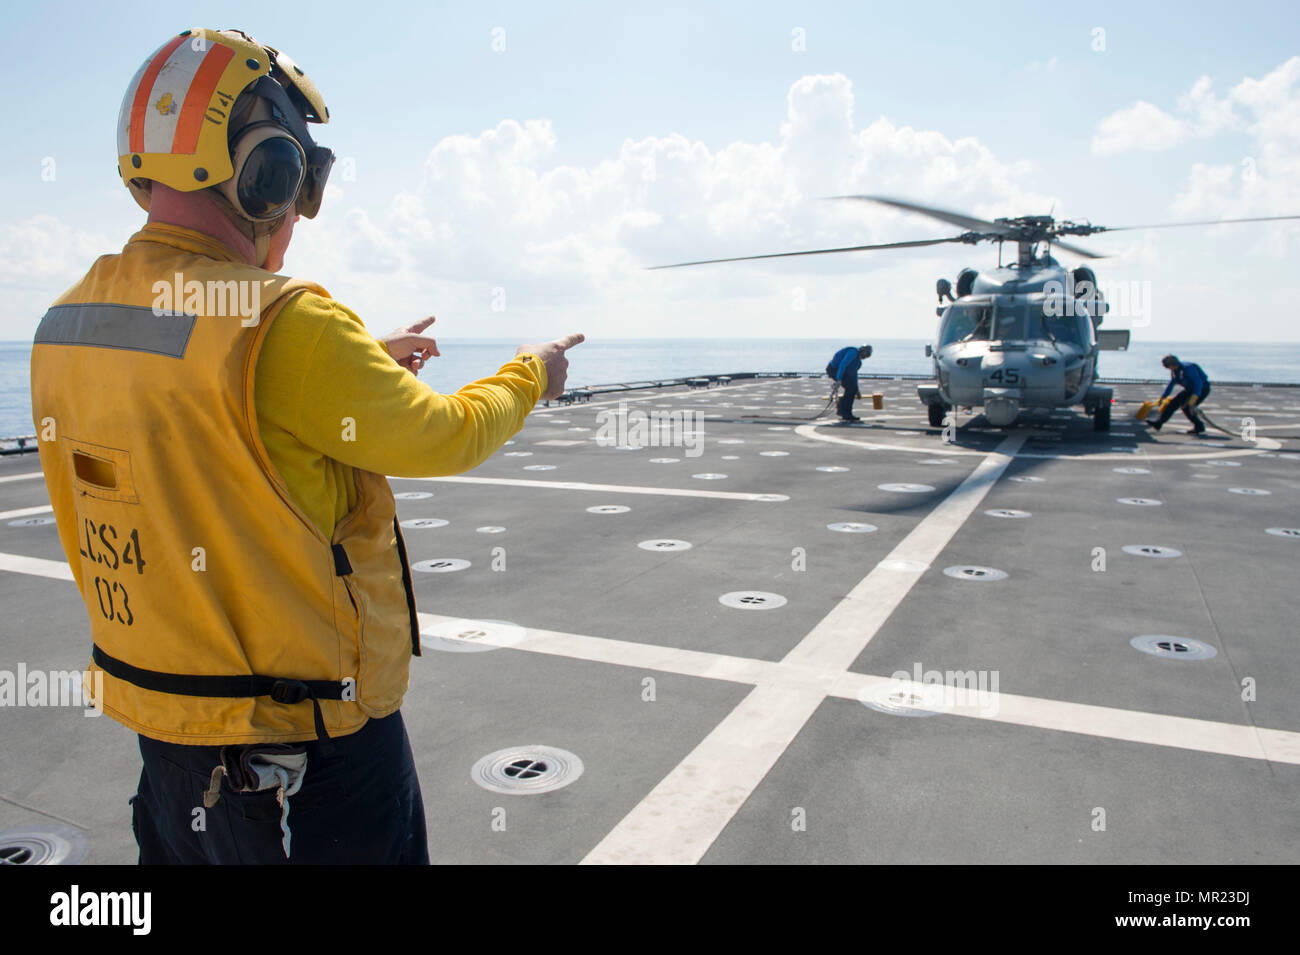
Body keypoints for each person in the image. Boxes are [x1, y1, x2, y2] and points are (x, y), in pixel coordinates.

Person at [29, 28, 583, 865]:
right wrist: (531, 374)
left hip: (170, 744)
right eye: (302, 181)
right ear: (266, 173)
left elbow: (203, 423)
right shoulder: (284, 324)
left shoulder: (65, 326)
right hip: (304, 753)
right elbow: (446, 433)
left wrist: (355, 370)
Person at [1147, 354, 1210, 434]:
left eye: (1168, 367)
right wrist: (1163, 397)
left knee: (1187, 407)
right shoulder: (1176, 370)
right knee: (1173, 403)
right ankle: (1158, 423)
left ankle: (1199, 426)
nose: (1169, 369)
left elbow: (1198, 383)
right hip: (1190, 389)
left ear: (1172, 365)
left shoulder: (1188, 369)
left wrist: (1193, 398)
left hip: (1202, 389)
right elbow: (1172, 384)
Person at [827, 345, 872, 421]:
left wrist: (857, 389)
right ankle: (846, 413)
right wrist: (839, 379)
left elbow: (853, 375)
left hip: (840, 372)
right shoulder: (853, 352)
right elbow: (842, 365)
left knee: (852, 389)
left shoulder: (858, 362)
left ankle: (842, 410)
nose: (865, 357)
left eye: (867, 356)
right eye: (865, 354)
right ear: (862, 351)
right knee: (850, 389)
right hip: (834, 369)